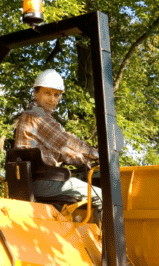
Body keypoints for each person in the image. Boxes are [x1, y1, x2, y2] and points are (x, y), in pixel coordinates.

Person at [14, 69, 102, 208]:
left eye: (56, 95)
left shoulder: (35, 117)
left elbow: (61, 153)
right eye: (47, 93)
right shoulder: (37, 116)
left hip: (36, 180)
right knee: (104, 197)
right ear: (35, 93)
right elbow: (65, 141)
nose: (52, 99)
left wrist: (83, 160)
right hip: (43, 182)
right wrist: (96, 154)